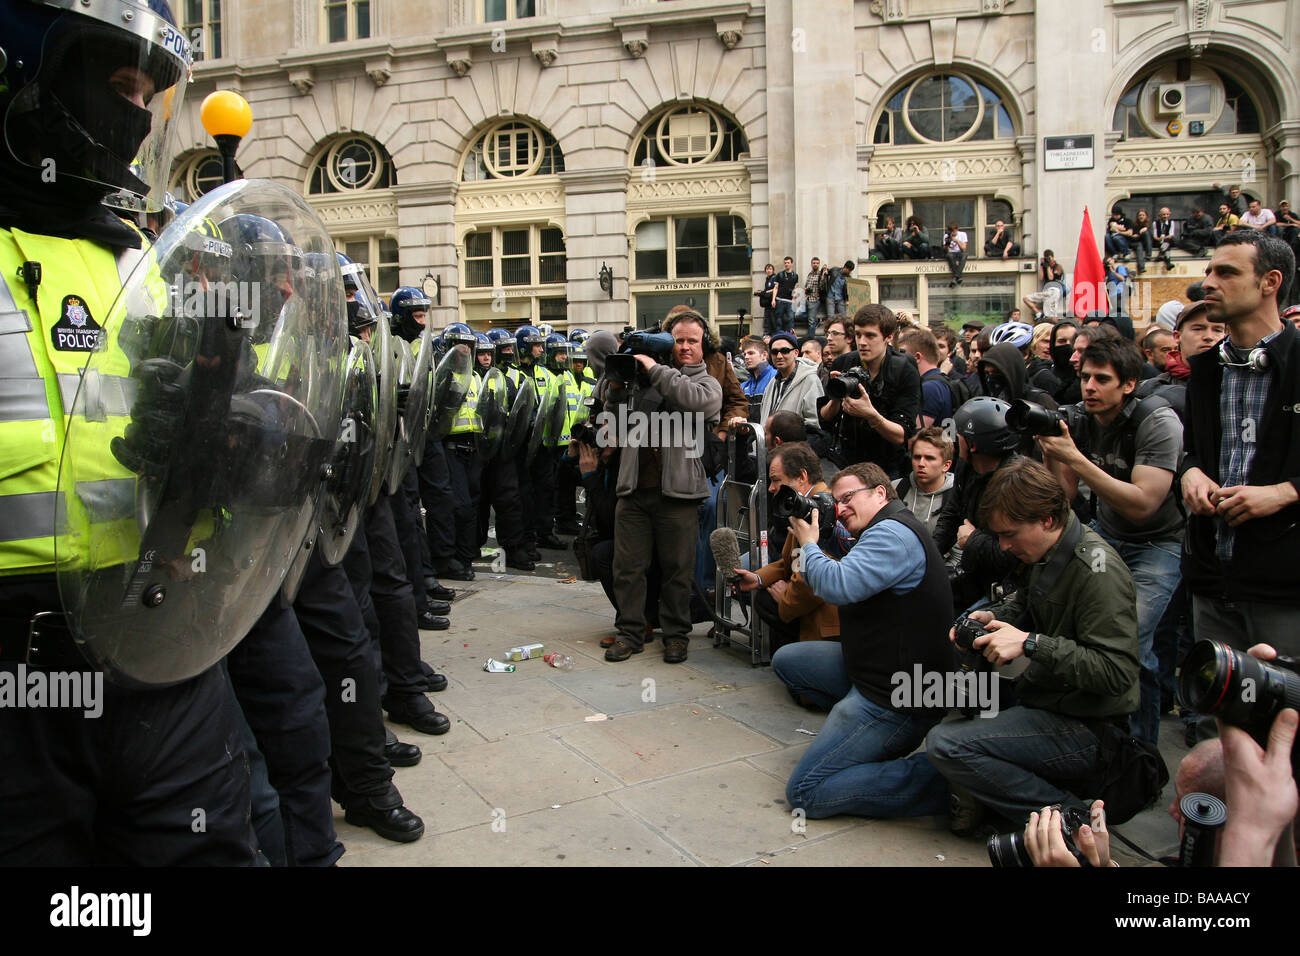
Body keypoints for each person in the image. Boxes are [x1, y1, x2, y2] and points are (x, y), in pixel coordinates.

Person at [0, 0, 268, 865]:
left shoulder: (135, 263)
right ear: (24, 81)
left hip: (154, 628)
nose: (134, 115)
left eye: (150, 96)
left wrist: (227, 448)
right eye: (118, 85)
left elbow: (185, 425)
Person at [927, 459, 1140, 831]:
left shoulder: (1098, 572)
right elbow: (1028, 599)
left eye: (1010, 534)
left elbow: (1117, 672)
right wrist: (995, 617)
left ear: (1046, 519)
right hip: (1044, 696)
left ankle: (1073, 824)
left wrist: (1030, 643)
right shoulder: (1048, 552)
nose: (1005, 547)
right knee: (934, 693)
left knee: (947, 744)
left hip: (1088, 727)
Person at [770, 462, 955, 819]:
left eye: (849, 498)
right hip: (873, 668)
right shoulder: (875, 529)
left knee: (806, 792)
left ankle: (943, 779)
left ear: (881, 493)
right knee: (788, 661)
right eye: (836, 501)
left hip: (897, 695)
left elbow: (838, 586)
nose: (840, 508)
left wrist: (808, 544)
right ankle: (857, 742)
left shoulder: (892, 535)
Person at [1035, 336, 1184, 744]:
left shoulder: (1157, 421)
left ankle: (1140, 753)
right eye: (1085, 378)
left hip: (1159, 543)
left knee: (1130, 642)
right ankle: (1099, 739)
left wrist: (1076, 458)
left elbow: (1142, 504)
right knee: (1079, 628)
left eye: (1103, 379)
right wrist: (1051, 451)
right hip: (1108, 534)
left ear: (1130, 384)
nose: (1089, 387)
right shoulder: (1081, 419)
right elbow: (1062, 497)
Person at [1179, 231, 1300, 655]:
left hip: (1285, 592)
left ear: (1270, 282)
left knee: (1285, 712)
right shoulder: (1206, 370)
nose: (1209, 282)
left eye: (1226, 272)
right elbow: (1193, 449)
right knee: (1220, 715)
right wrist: (1190, 471)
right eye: (1209, 270)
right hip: (1212, 582)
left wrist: (1285, 493)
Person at [605, 309, 723, 664]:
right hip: (634, 490)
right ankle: (630, 632)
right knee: (627, 568)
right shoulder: (642, 378)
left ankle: (676, 635)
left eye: (693, 341)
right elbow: (611, 418)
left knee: (677, 570)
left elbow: (694, 400)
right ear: (667, 342)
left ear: (704, 346)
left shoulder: (707, 384)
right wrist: (616, 384)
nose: (685, 347)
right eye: (679, 340)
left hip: (679, 494)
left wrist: (655, 370)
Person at [733, 443, 840, 652]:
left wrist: (786, 600)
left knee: (768, 602)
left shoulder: (820, 510)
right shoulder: (804, 505)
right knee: (764, 597)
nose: (771, 488)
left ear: (801, 477)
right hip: (808, 595)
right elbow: (789, 561)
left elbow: (814, 575)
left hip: (826, 618)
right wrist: (758, 578)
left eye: (776, 480)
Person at [820, 305, 922, 479]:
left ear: (888, 337)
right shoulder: (844, 363)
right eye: (858, 335)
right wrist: (836, 396)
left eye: (870, 335)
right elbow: (824, 419)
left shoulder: (904, 369)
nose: (862, 342)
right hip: (849, 462)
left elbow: (901, 435)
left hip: (888, 467)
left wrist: (871, 415)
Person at [892, 428, 957, 536]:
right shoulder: (895, 489)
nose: (921, 463)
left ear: (946, 465)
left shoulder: (956, 497)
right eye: (917, 457)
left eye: (929, 458)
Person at [760, 331, 824, 430]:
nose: (779, 356)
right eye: (774, 352)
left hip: (796, 444)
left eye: (785, 350)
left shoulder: (810, 380)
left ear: (796, 353)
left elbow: (814, 423)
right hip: (771, 444)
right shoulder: (771, 383)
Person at [897, 328, 953, 428]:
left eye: (902, 355)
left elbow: (916, 433)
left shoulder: (930, 388)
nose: (897, 361)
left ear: (917, 357)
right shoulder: (937, 383)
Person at [739, 334, 776, 404]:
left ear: (764, 355)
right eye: (745, 354)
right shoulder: (744, 386)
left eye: (751, 353)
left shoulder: (776, 378)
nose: (746, 357)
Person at [803, 256, 830, 335]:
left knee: (811, 321)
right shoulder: (810, 274)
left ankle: (811, 338)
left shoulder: (820, 274)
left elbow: (822, 286)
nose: (815, 264)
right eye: (814, 263)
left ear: (819, 264)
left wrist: (823, 275)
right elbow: (806, 285)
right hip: (807, 299)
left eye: (817, 263)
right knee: (799, 316)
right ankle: (817, 321)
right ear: (811, 264)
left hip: (814, 300)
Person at [772, 256, 799, 334]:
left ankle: (790, 335)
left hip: (789, 300)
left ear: (791, 263)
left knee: (791, 319)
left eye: (788, 263)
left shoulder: (795, 276)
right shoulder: (780, 275)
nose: (786, 264)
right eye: (785, 263)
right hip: (780, 299)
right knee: (778, 319)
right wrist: (773, 299)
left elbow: (795, 288)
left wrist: (794, 299)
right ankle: (778, 335)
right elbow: (776, 287)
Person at [944, 221, 969, 286]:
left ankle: (955, 277)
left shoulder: (963, 234)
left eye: (954, 231)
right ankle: (958, 277)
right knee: (949, 255)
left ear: (956, 229)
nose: (952, 233)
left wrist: (957, 240)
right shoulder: (946, 236)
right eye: (951, 231)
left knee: (965, 255)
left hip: (960, 252)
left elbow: (964, 249)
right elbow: (946, 251)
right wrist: (947, 243)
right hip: (951, 253)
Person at [756, 263, 778, 336]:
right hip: (767, 304)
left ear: (773, 270)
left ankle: (772, 334)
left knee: (772, 320)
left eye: (770, 269)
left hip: (772, 302)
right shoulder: (767, 279)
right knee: (767, 319)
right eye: (767, 269)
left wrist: (765, 292)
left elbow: (776, 288)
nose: (769, 270)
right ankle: (767, 333)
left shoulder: (774, 277)